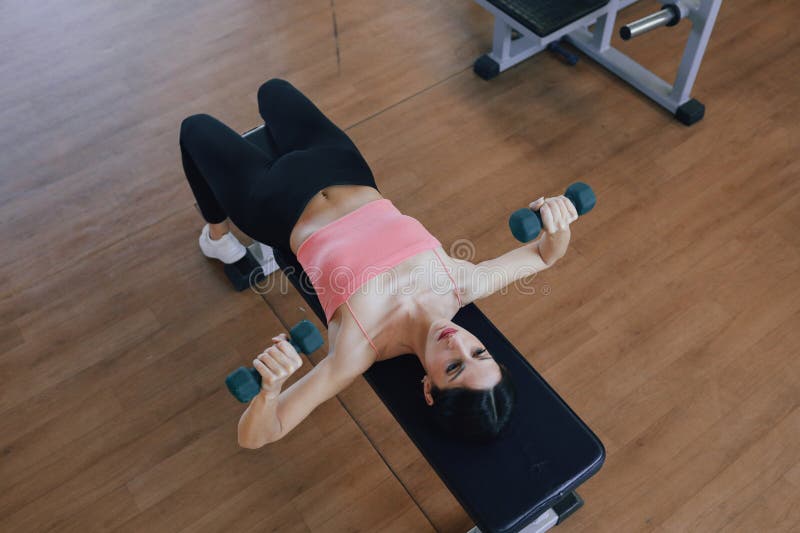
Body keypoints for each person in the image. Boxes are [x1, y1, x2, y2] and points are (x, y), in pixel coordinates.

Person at [179, 79, 578, 448]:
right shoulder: (461, 285)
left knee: (195, 128)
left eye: (454, 367)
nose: (457, 342)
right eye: (479, 352)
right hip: (341, 165)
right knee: (273, 91)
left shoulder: (358, 349)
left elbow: (258, 436)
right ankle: (219, 231)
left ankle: (217, 236)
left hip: (273, 202)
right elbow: (543, 254)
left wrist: (270, 390)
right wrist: (558, 221)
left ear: (428, 388)